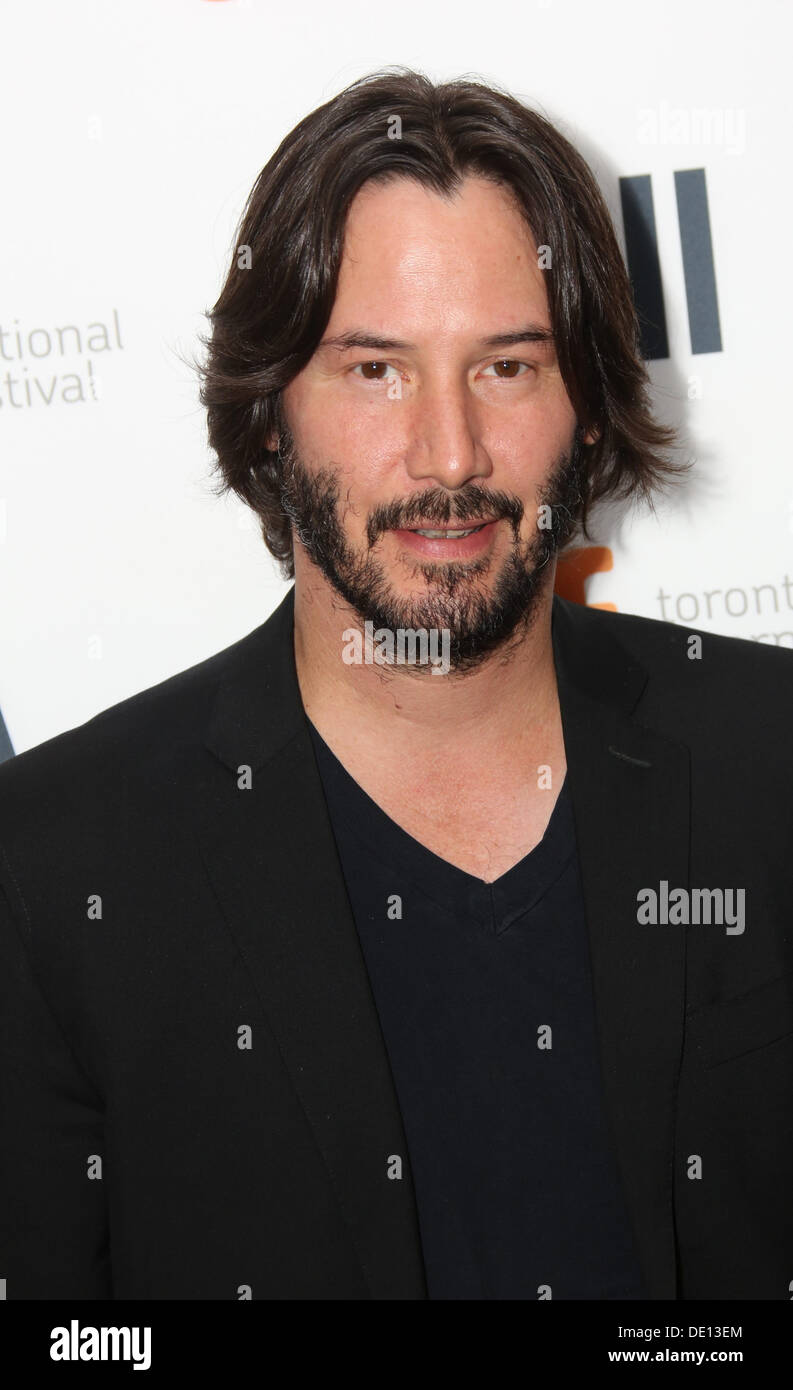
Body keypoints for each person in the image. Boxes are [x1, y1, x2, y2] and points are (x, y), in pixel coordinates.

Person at [1, 68, 791, 1301]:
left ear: (585, 407)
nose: (450, 453)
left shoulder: (772, 759)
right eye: (376, 369)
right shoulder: (58, 867)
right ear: (271, 413)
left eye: (508, 367)